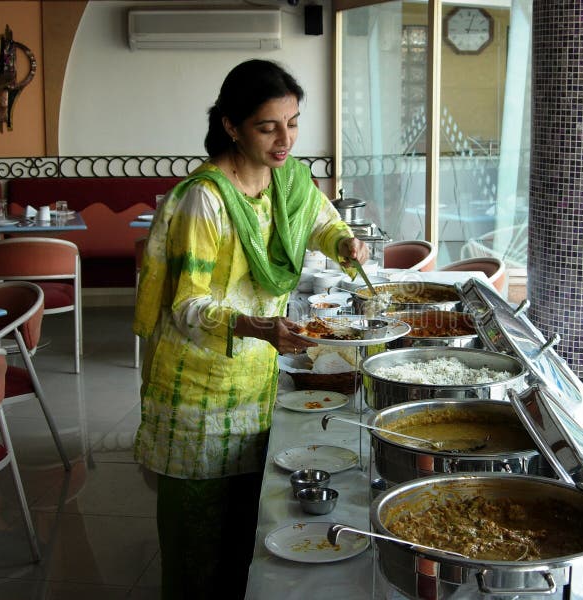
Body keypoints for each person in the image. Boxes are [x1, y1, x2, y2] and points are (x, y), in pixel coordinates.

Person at [132, 59, 368, 599]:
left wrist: (342, 242)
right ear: (232, 126)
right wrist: (253, 324)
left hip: (256, 382)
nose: (286, 139)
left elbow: (321, 219)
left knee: (246, 534)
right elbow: (187, 305)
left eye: (293, 122)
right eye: (268, 127)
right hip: (198, 394)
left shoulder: (287, 181)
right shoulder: (206, 200)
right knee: (197, 547)